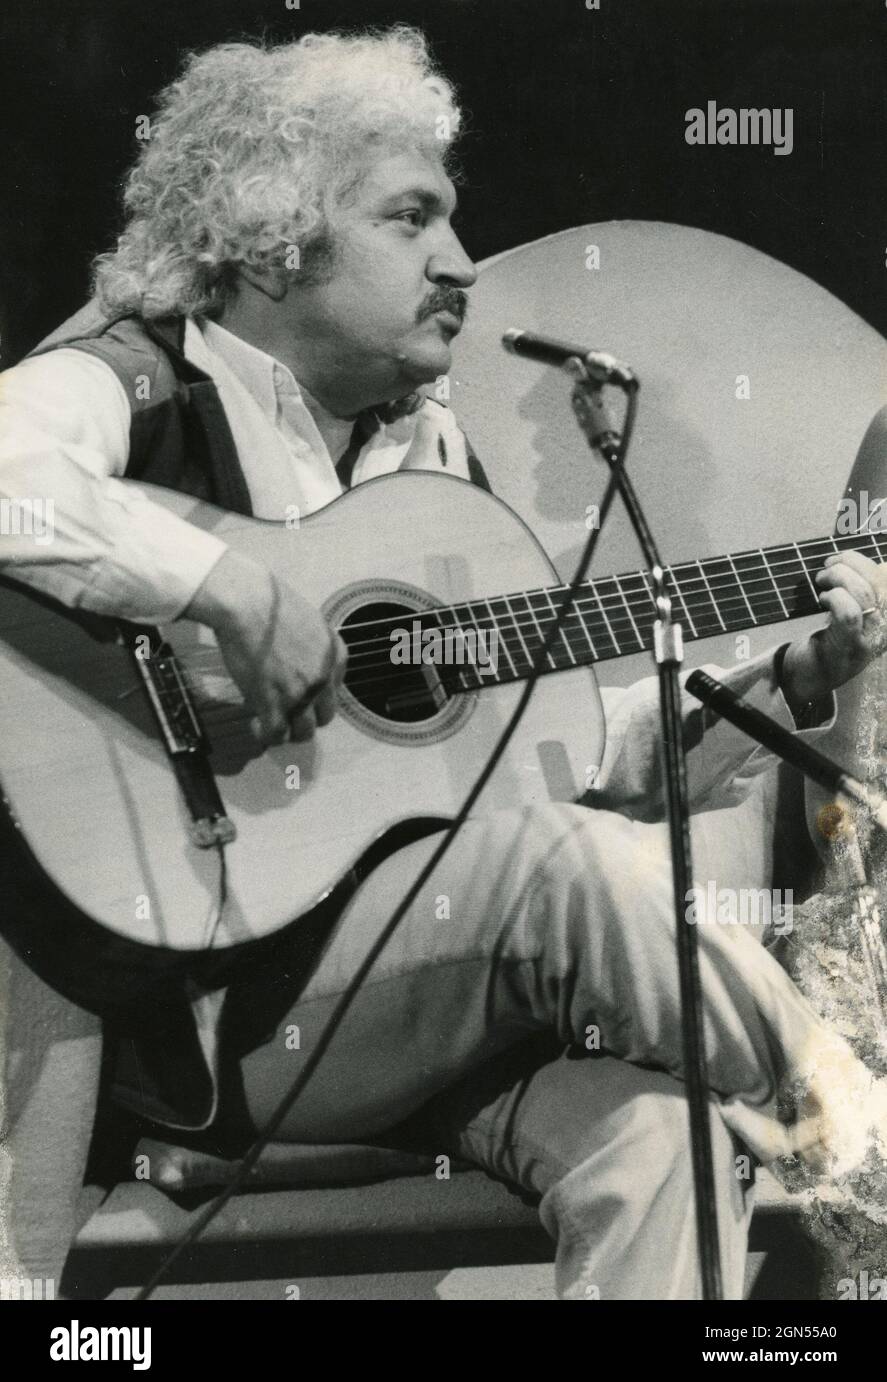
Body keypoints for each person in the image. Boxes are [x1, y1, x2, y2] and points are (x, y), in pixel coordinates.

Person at [2, 25, 886, 1300]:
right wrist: (222, 587)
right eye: (410, 218)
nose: (460, 262)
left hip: (425, 994)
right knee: (557, 864)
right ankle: (854, 1128)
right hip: (213, 1013)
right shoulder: (136, 384)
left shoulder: (425, 463)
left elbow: (567, 760)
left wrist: (792, 678)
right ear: (272, 237)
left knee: (664, 1140)